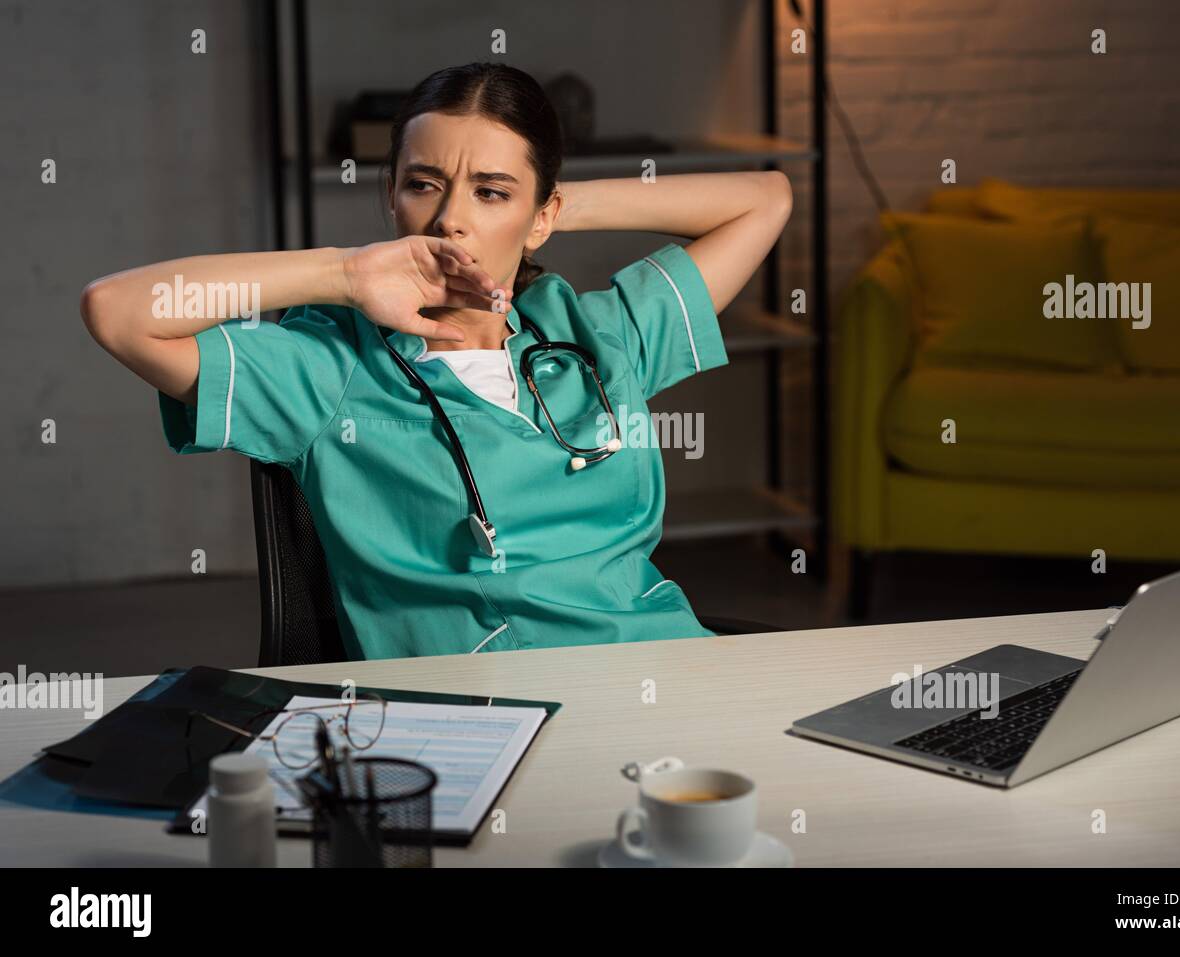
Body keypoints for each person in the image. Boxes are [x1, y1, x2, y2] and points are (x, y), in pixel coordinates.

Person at [81, 62, 793, 659]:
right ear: (389, 194)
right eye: (423, 184)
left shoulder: (596, 333)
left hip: (673, 676)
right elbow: (117, 312)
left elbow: (765, 199)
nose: (451, 218)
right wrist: (343, 273)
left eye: (490, 192)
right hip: (489, 723)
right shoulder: (327, 367)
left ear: (540, 213)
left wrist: (548, 205)